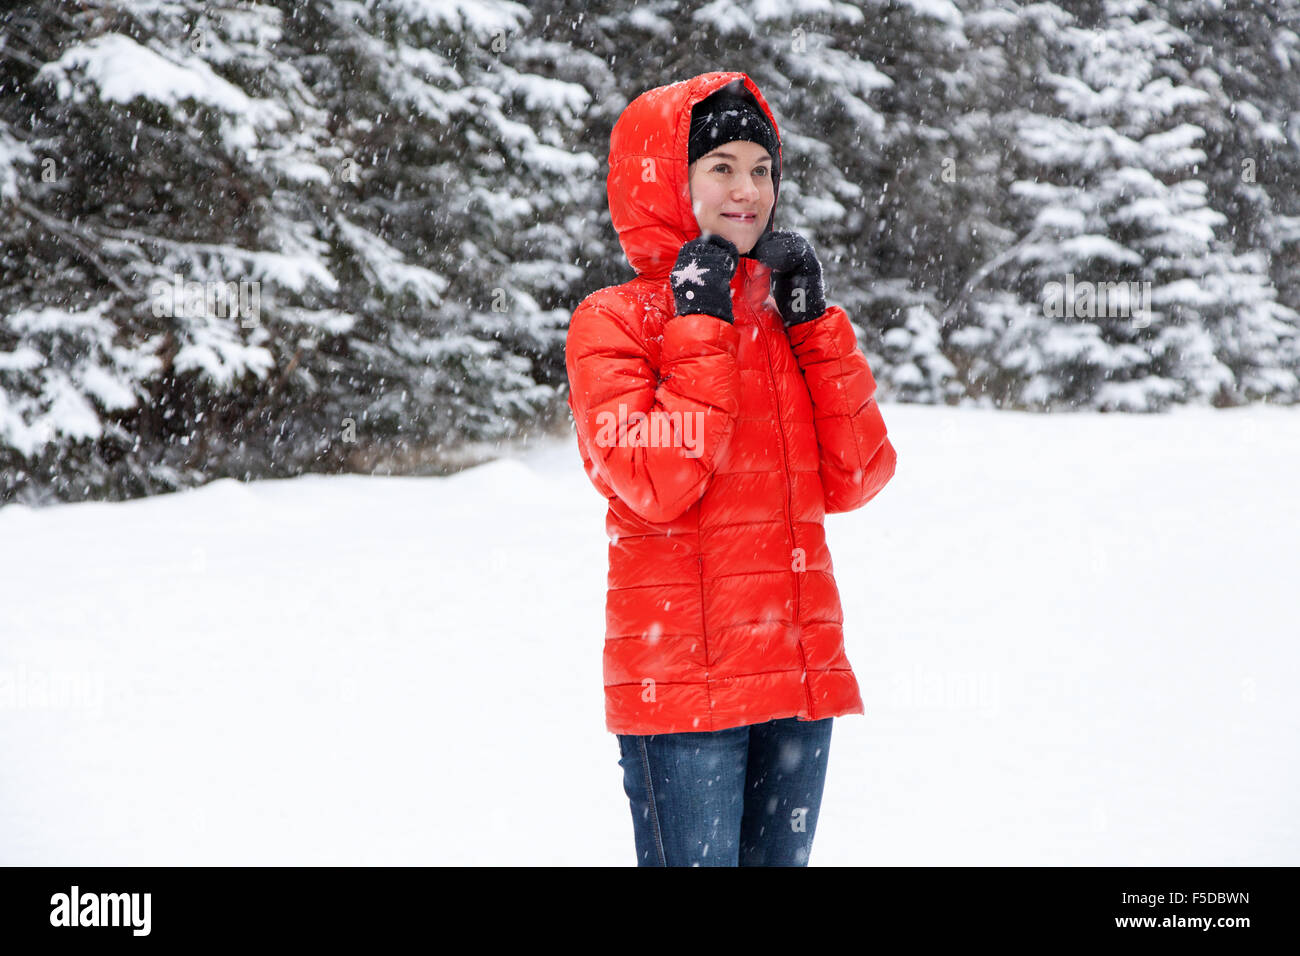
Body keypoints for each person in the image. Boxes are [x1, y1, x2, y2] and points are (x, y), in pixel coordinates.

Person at [565, 72, 897, 866]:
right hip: (682, 693)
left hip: (794, 673)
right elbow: (658, 481)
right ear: (664, 181)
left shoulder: (782, 315)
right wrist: (701, 322)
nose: (747, 190)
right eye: (721, 167)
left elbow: (858, 475)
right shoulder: (611, 320)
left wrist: (814, 323)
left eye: (762, 168)